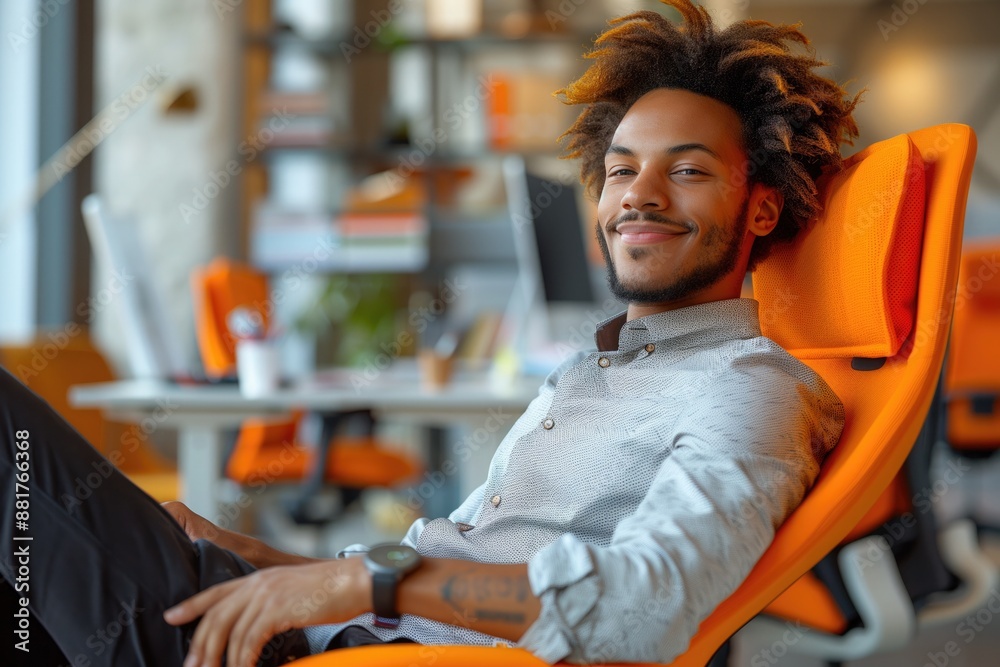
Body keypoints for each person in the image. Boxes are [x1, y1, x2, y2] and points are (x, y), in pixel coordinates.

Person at [0, 1, 857, 665]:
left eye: (691, 170)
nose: (639, 192)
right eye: (622, 168)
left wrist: (362, 576)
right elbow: (445, 565)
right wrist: (264, 557)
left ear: (763, 204)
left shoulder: (748, 383)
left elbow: (652, 604)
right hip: (315, 632)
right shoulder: (589, 374)